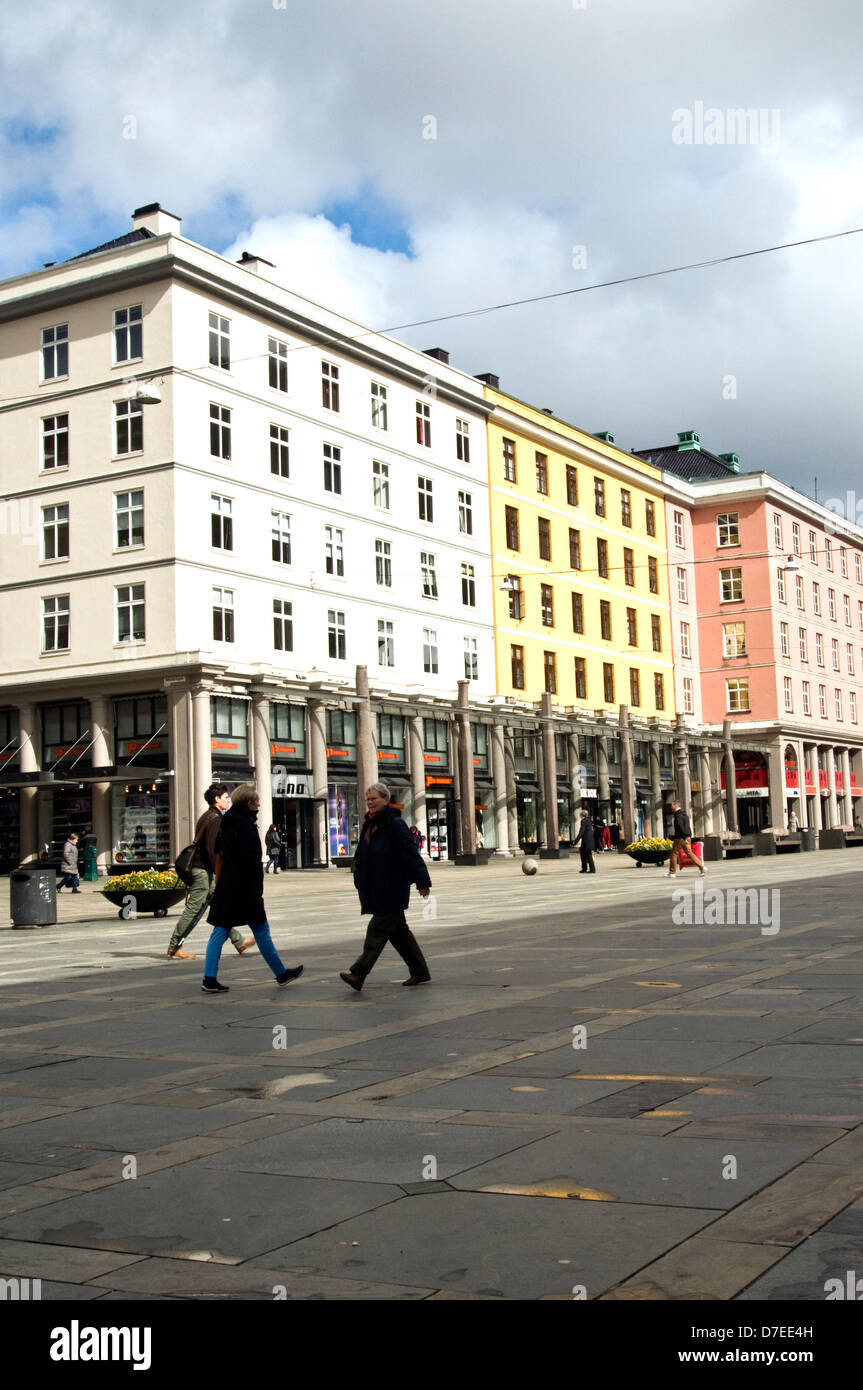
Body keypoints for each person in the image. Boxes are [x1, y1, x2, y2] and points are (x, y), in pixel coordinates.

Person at [201, 783, 303, 993]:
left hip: (227, 885)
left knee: (220, 930)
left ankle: (209, 978)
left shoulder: (226, 821)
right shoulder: (245, 825)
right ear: (248, 803)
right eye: (256, 801)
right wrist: (257, 886)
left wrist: (219, 883)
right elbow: (251, 860)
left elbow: (219, 856)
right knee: (261, 930)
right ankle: (281, 973)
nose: (258, 804)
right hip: (245, 887)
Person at [340, 782, 432, 991]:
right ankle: (420, 971)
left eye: (374, 798)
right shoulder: (370, 824)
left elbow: (410, 853)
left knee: (377, 929)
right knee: (399, 934)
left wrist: (422, 881)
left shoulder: (394, 824)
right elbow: (364, 852)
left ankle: (358, 973)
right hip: (376, 886)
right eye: (368, 799)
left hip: (392, 886)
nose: (370, 803)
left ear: (386, 800)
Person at [167, 784, 254, 960]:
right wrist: (220, 873)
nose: (228, 800)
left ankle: (239, 941)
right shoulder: (215, 818)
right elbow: (212, 849)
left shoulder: (209, 816)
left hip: (205, 870)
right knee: (194, 909)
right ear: (217, 799)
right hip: (203, 872)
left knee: (220, 906)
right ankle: (174, 945)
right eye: (225, 797)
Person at [665, 799, 706, 877]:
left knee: (673, 854)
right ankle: (701, 867)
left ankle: (672, 872)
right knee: (690, 854)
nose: (671, 807)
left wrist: (683, 837)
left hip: (680, 838)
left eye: (672, 805)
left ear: (675, 805)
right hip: (687, 837)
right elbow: (687, 826)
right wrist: (688, 836)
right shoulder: (685, 814)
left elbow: (680, 826)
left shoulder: (677, 815)